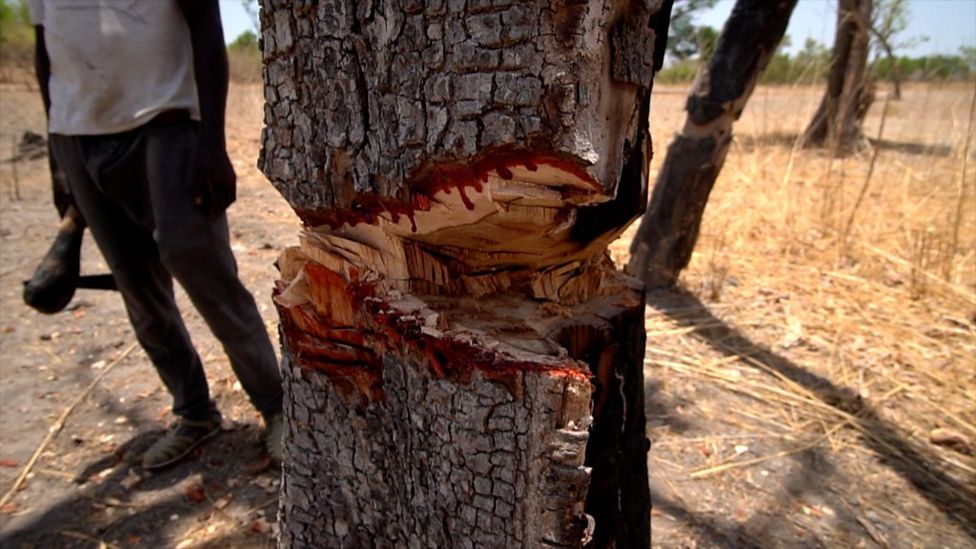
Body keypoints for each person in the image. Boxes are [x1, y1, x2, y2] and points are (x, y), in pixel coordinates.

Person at [28, 0, 284, 469]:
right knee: (137, 289)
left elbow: (206, 23)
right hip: (76, 134)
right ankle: (194, 412)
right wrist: (57, 160)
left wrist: (212, 145)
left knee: (204, 271)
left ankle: (277, 406)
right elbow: (46, 51)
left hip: (166, 123)